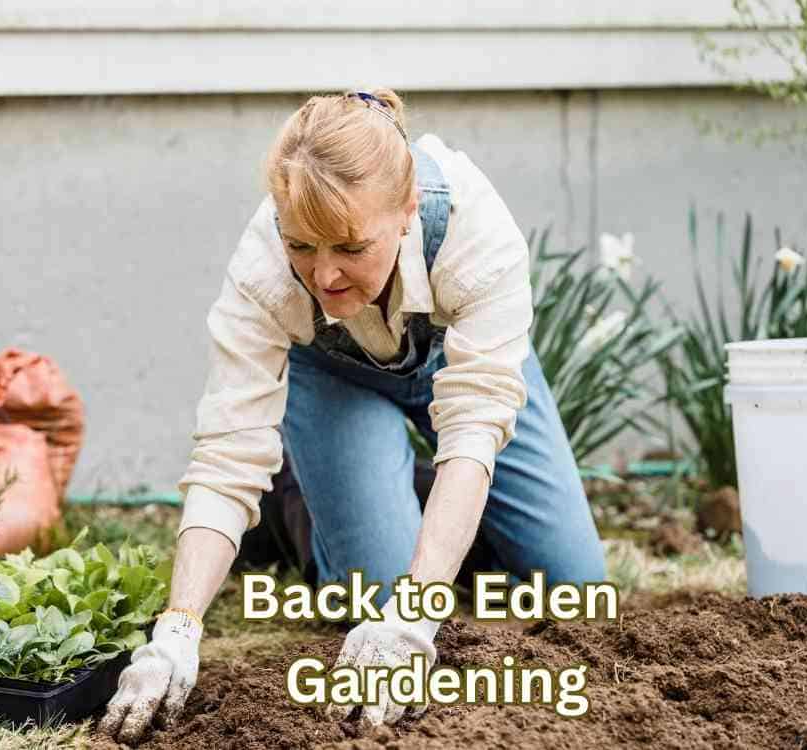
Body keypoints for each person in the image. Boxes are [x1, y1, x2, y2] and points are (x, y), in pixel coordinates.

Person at [98, 87, 606, 744]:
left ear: (406, 209)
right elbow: (226, 457)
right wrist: (177, 635)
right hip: (332, 377)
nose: (324, 276)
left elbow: (475, 431)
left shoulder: (476, 234)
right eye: (302, 246)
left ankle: (380, 491)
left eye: (347, 245)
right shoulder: (263, 274)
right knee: (375, 597)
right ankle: (295, 502)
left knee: (575, 583)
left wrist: (416, 615)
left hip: (459, 360)